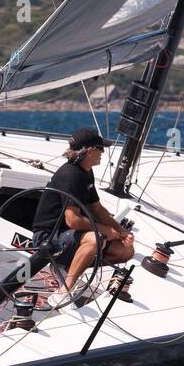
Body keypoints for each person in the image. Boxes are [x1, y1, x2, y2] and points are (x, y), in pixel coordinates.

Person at [29, 128, 134, 306]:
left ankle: (71, 267)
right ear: (89, 151)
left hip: (68, 234)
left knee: (125, 251)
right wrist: (104, 229)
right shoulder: (70, 175)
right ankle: (64, 291)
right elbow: (73, 220)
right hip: (48, 239)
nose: (103, 153)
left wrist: (121, 232)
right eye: (101, 149)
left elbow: (97, 208)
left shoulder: (85, 171)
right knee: (95, 238)